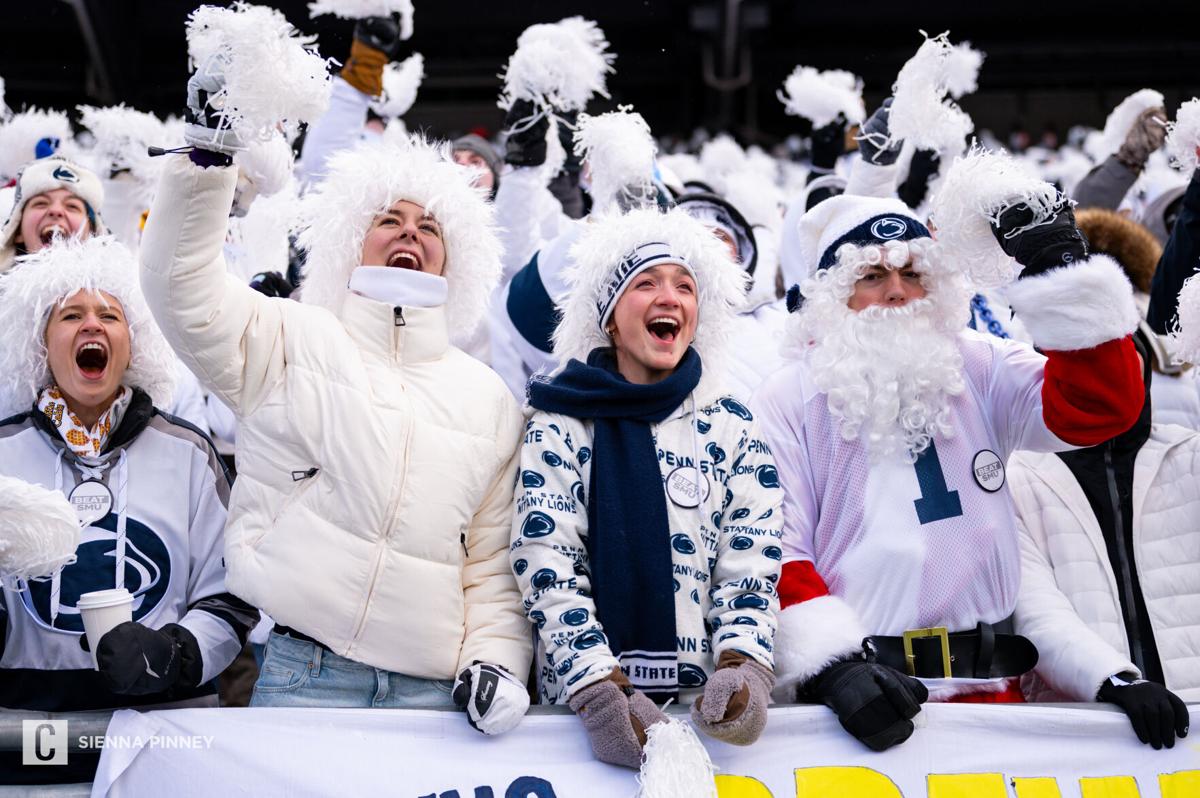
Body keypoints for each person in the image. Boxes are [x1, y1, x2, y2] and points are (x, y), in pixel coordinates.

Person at [139, 66, 531, 734]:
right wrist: (208, 156)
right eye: (389, 220)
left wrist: (496, 661)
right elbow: (181, 290)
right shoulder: (291, 334)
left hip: (434, 699)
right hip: (305, 676)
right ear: (352, 241)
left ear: (453, 258)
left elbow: (491, 564)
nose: (409, 234)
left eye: (430, 226)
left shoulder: (487, 396)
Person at [756, 193, 1145, 751]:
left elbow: (1099, 408)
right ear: (835, 296)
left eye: (914, 273)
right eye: (872, 275)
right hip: (862, 703)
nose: (897, 291)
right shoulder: (789, 397)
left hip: (994, 697)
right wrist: (832, 666)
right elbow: (776, 548)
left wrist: (1061, 273)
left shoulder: (981, 364)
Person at [512, 207, 782, 769]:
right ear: (611, 318)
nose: (670, 297)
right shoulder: (560, 421)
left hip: (703, 718)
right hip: (581, 723)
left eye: (685, 286)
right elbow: (546, 563)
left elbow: (751, 562)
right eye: (646, 283)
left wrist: (743, 666)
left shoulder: (731, 422)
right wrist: (599, 689)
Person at [0, 236, 255, 782]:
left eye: (110, 315)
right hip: (27, 739)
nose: (91, 324)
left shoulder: (188, 452)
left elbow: (233, 593)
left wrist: (175, 655)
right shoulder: (3, 452)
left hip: (167, 739)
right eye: (71, 315)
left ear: (133, 343)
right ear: (41, 344)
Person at [1010, 339, 1193, 750]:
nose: (1099, 372)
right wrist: (1113, 680)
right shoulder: (1016, 475)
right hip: (1090, 734)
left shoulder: (1190, 456)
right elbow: (1034, 611)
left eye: (1114, 353)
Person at [0, 155, 107, 273]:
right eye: (41, 203)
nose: (56, 210)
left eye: (72, 206)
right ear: (18, 232)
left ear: (93, 233)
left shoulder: (116, 285)